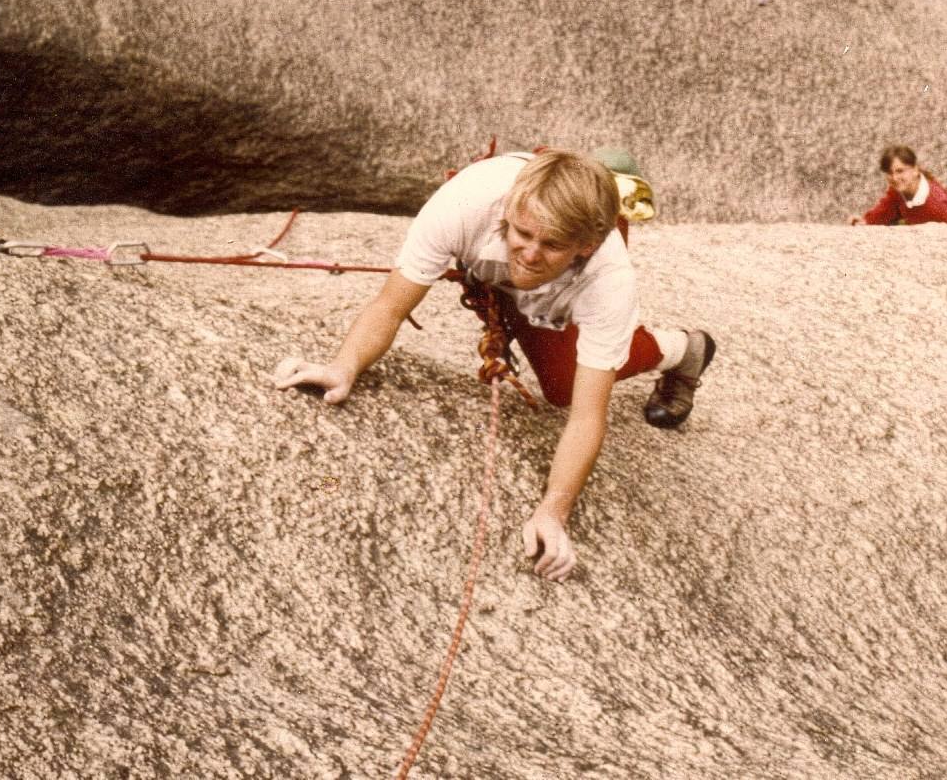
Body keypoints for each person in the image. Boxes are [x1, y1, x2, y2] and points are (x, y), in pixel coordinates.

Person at [272, 148, 715, 583]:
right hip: (502, 217)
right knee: (522, 284)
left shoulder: (608, 276)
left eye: (552, 244)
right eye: (522, 232)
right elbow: (390, 306)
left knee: (562, 388)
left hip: (573, 262)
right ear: (509, 211)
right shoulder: (463, 204)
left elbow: (586, 416)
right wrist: (343, 366)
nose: (531, 253)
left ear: (587, 245)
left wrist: (553, 513)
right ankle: (594, 180)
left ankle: (682, 350)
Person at [850, 144, 947, 227]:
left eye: (900, 171)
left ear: (915, 170)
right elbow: (885, 210)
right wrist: (865, 222)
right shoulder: (897, 191)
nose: (894, 178)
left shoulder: (936, 203)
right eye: (889, 172)